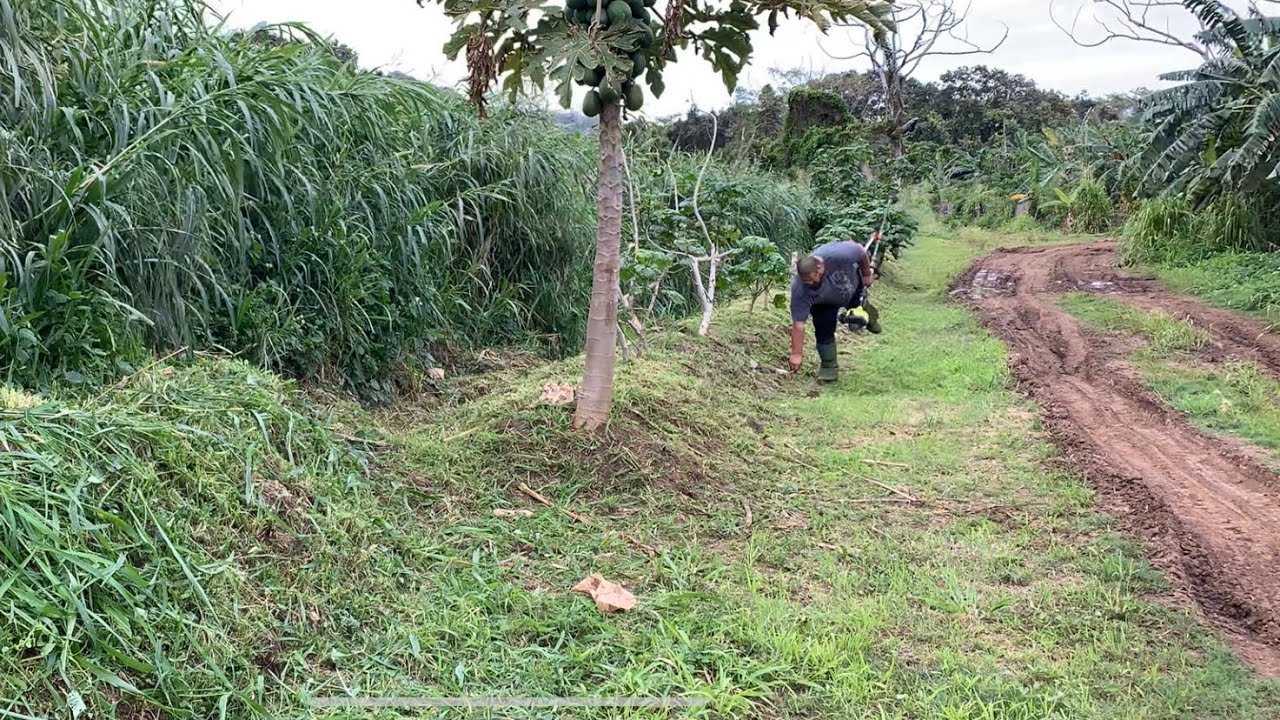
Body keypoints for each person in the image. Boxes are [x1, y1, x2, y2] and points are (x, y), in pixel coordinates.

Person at [787, 236, 879, 382]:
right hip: (824, 304)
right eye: (806, 281)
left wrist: (867, 274)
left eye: (812, 279)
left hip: (851, 287)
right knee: (823, 330)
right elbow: (798, 325)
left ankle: (870, 319)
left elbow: (861, 251)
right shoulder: (800, 289)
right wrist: (796, 354)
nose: (809, 283)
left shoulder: (838, 255)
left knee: (857, 320)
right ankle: (829, 367)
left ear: (819, 268)